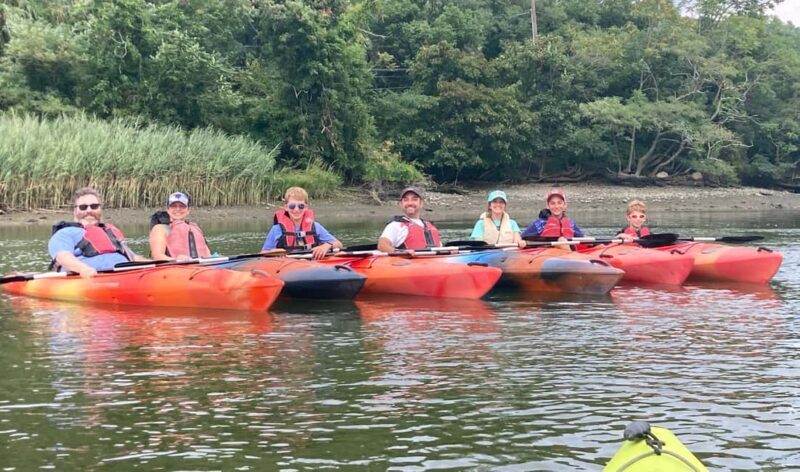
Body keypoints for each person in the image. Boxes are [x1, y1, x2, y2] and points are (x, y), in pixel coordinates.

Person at [48, 187, 148, 278]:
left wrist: (160, 265)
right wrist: (83, 269)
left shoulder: (111, 232)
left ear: (100, 209)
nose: (89, 210)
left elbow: (134, 257)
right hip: (92, 278)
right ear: (75, 211)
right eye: (83, 207)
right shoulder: (65, 233)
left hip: (127, 274)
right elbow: (63, 257)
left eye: (94, 206)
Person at [261, 186, 343, 260]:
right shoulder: (276, 229)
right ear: (286, 207)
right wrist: (274, 251)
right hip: (285, 266)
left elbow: (338, 244)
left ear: (306, 207)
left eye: (301, 206)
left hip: (311, 265)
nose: (296, 210)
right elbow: (263, 253)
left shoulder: (316, 227)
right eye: (292, 206)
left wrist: (326, 246)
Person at [149, 192, 212, 261]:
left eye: (182, 206)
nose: (178, 209)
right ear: (168, 209)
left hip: (201, 267)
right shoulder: (160, 229)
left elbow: (208, 255)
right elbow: (157, 257)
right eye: (173, 206)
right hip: (174, 268)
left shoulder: (196, 228)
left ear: (188, 210)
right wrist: (176, 259)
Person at [378, 187, 441, 252]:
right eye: (406, 200)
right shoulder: (395, 226)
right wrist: (401, 252)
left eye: (414, 199)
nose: (410, 203)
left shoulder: (430, 226)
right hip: (408, 261)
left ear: (421, 203)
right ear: (401, 204)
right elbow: (382, 245)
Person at [521, 188, 585, 242]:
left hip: (567, 252)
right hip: (547, 253)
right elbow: (523, 239)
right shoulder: (539, 224)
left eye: (559, 203)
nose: (556, 206)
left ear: (565, 205)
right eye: (552, 203)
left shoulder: (571, 224)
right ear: (547, 206)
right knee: (561, 240)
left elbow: (582, 238)